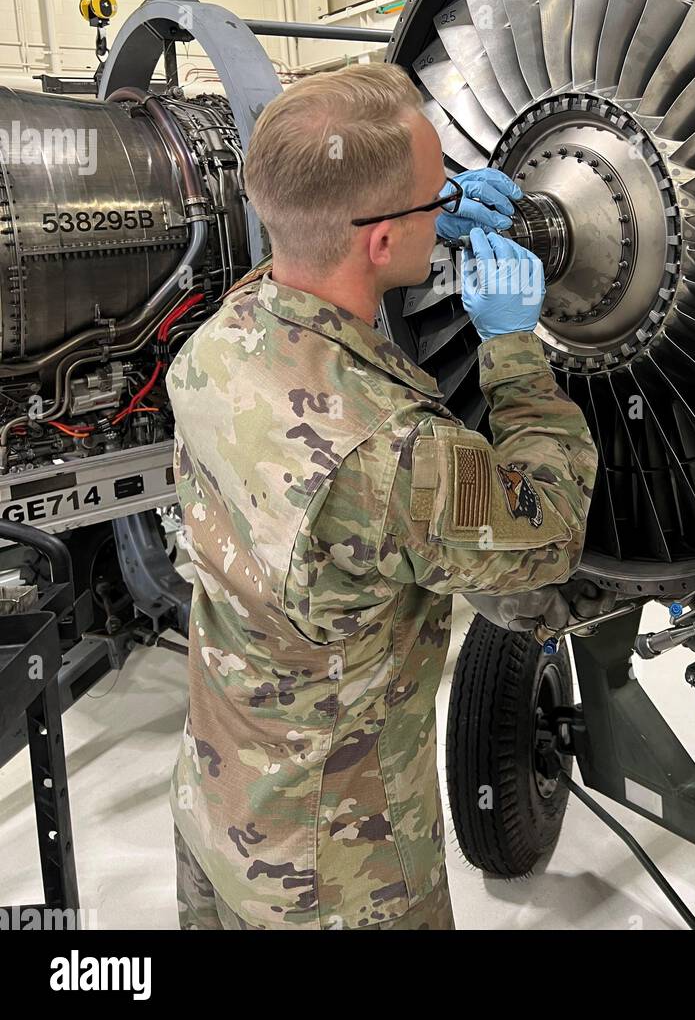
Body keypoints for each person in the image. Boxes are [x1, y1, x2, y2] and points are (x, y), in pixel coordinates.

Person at [166, 63, 599, 930]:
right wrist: (513, 349)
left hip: (216, 801)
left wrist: (428, 210)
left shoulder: (224, 335)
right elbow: (547, 532)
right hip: (336, 872)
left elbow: (314, 237)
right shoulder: (391, 452)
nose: (448, 208)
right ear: (377, 242)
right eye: (437, 195)